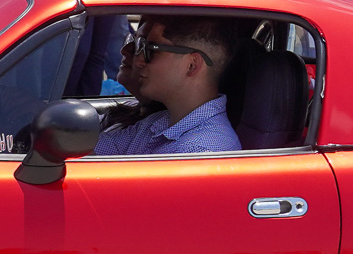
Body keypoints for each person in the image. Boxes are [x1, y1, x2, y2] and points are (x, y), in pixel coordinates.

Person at [92, 16, 242, 156]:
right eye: (140, 45)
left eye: (150, 50)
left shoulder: (200, 152)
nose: (138, 61)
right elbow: (90, 154)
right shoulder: (160, 122)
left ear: (191, 65)